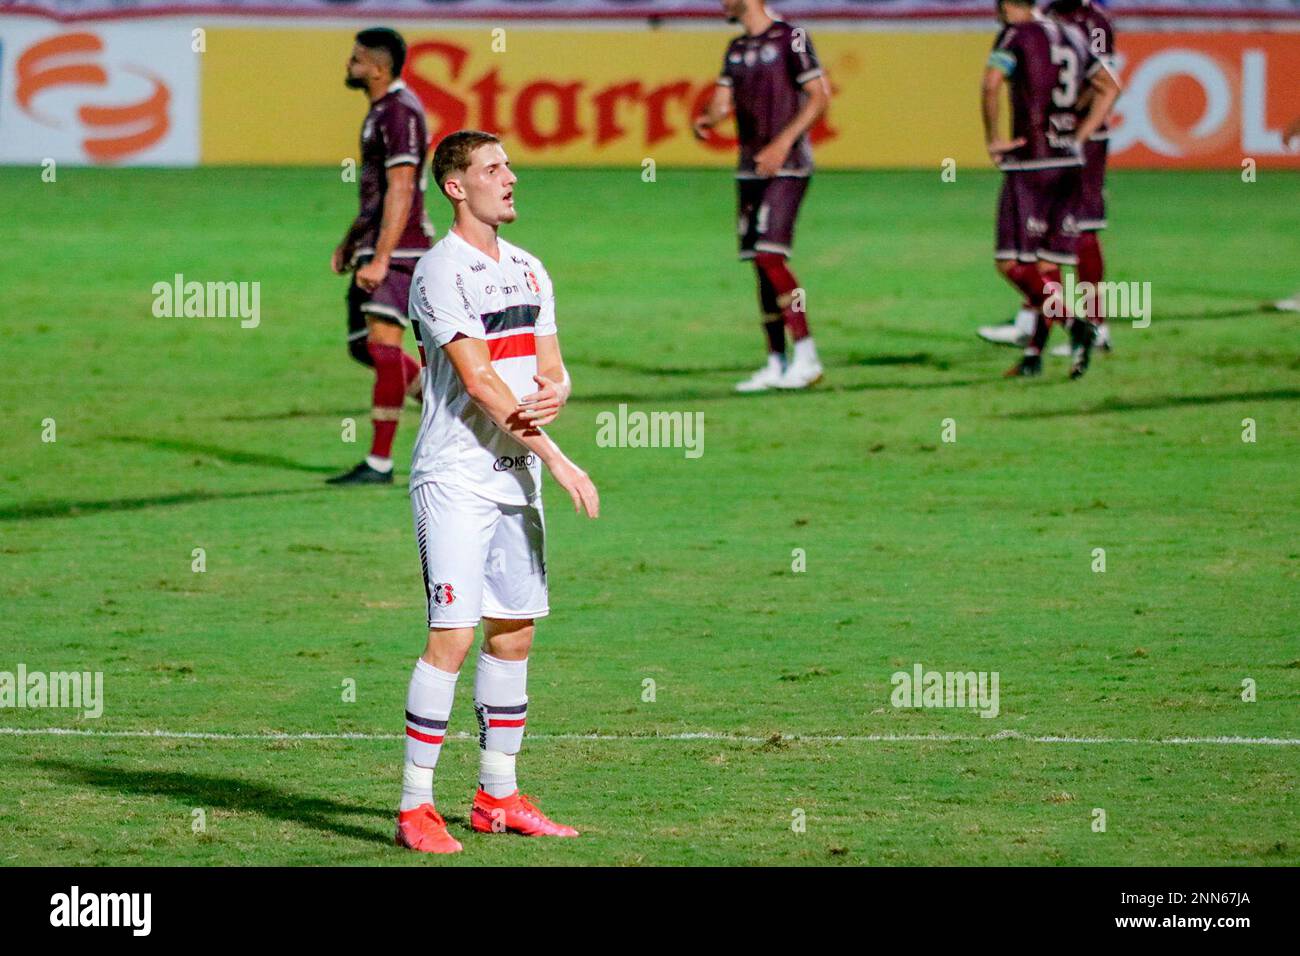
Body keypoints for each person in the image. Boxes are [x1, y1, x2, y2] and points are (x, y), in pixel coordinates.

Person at [394, 130, 600, 854]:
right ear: (456, 187)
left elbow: (550, 369)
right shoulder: (438, 273)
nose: (510, 177)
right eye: (492, 168)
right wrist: (563, 459)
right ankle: (415, 806)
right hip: (456, 479)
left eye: (509, 164)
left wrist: (558, 390)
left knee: (514, 634)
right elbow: (480, 385)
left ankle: (498, 796)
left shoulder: (530, 269)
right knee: (450, 636)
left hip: (516, 478)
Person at [693, 0, 831, 392]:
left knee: (772, 255)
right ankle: (776, 362)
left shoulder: (793, 38)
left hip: (787, 165)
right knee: (760, 262)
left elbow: (819, 96)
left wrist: (783, 143)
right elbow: (723, 99)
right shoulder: (736, 48)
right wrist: (710, 117)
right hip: (751, 166)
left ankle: (807, 355)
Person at [981, 0, 1119, 379]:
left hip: (1032, 163)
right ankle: (1034, 354)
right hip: (1070, 161)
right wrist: (1079, 135)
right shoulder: (1072, 33)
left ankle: (1078, 324)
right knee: (1047, 266)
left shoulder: (1018, 34)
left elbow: (991, 83)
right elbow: (1109, 85)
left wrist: (994, 139)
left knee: (1012, 262)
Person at [328, 28, 434, 485]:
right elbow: (376, 192)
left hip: (401, 246)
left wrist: (381, 258)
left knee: (385, 347)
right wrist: (353, 240)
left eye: (355, 59)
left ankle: (379, 462)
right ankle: (449, 405)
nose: (348, 66)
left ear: (378, 66)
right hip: (376, 242)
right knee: (363, 346)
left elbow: (403, 186)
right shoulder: (378, 113)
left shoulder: (400, 112)